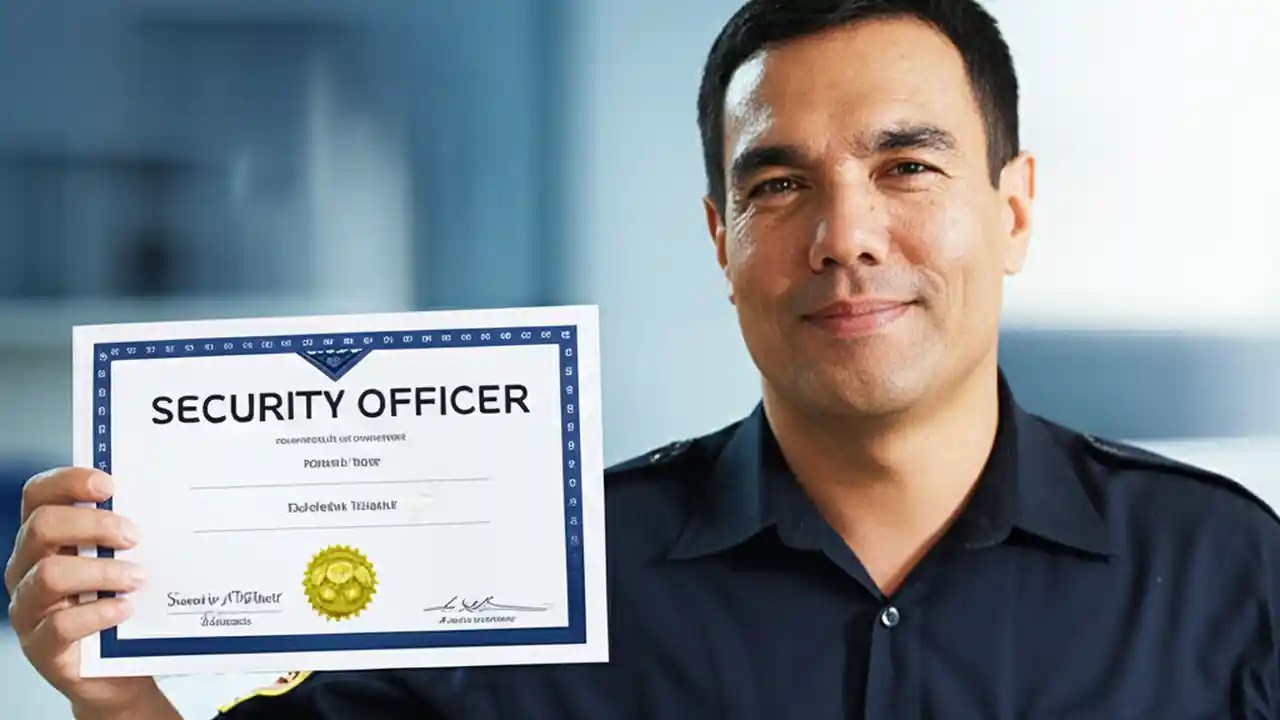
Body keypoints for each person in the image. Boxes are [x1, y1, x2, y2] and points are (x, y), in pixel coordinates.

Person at [7, 0, 1280, 717]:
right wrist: (115, 694)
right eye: (778, 184)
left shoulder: (1227, 576)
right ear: (721, 239)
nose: (845, 238)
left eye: (906, 166)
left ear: (1011, 209)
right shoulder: (525, 575)